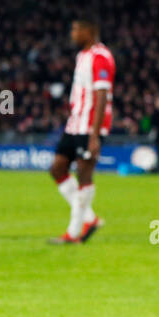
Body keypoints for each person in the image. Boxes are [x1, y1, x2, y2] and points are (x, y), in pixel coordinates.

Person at [48, 18, 114, 244]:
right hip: (75, 123)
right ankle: (90, 218)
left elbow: (102, 94)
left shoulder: (101, 57)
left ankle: (74, 233)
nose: (72, 32)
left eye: (76, 29)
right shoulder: (82, 55)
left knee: (84, 174)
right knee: (57, 168)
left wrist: (95, 135)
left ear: (90, 30)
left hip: (90, 125)